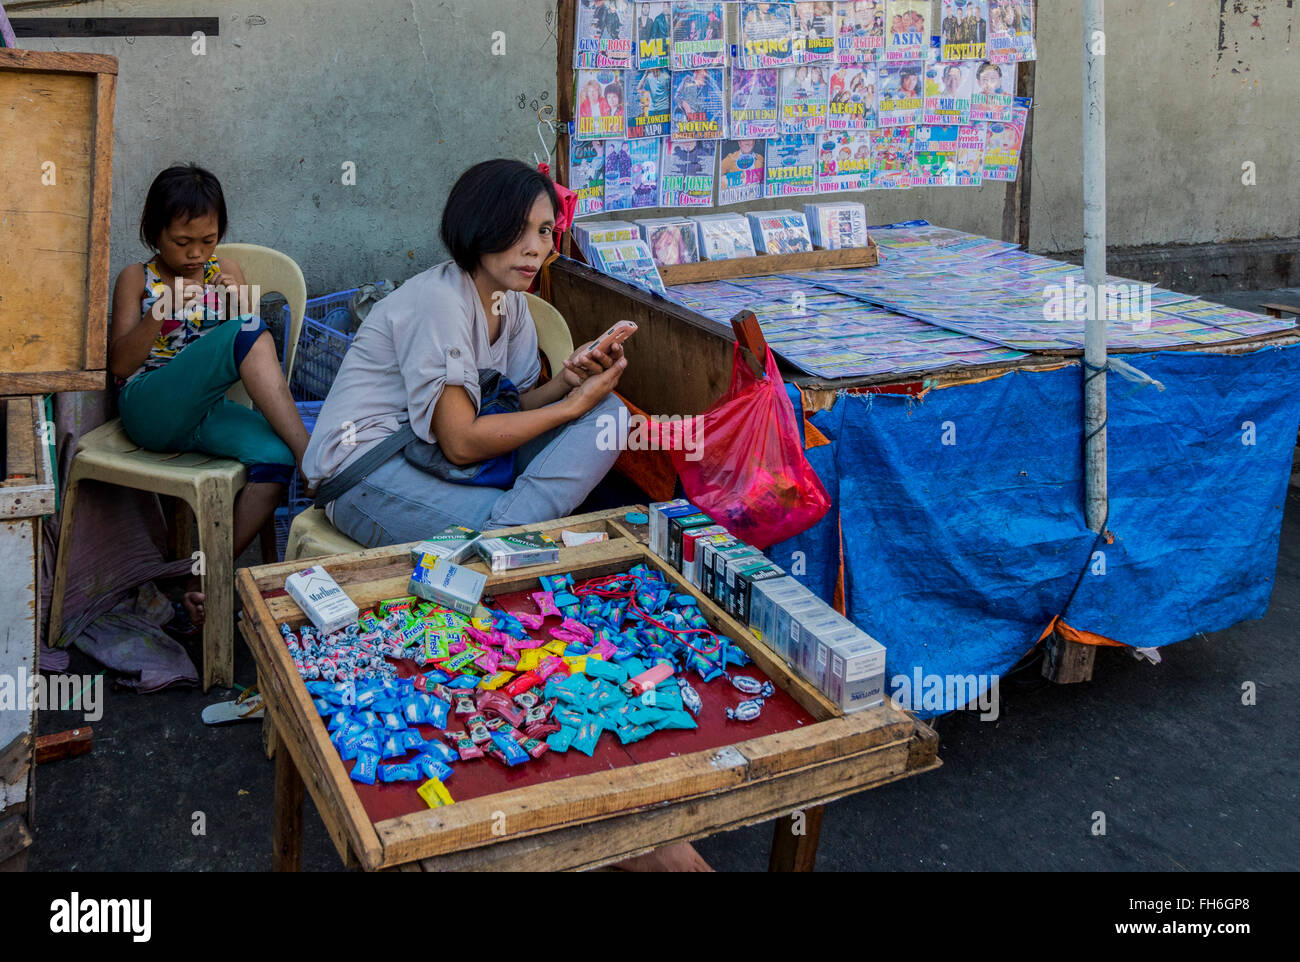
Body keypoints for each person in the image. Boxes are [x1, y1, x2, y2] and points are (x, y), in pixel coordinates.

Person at [302, 159, 627, 546]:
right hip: (369, 473)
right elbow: (460, 444)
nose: (534, 248)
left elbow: (510, 409)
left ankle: (507, 529)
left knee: (610, 415)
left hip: (435, 456)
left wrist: (566, 384)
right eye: (517, 229)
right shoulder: (440, 300)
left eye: (543, 231)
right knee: (508, 527)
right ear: (478, 227)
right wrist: (570, 407)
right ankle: (505, 537)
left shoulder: (513, 303)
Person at [109, 164, 310, 625]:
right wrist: (161, 310)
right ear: (154, 233)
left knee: (274, 461)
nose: (197, 254)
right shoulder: (135, 279)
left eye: (209, 240)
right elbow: (120, 365)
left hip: (206, 413)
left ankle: (203, 579)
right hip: (149, 408)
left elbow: (250, 347)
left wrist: (239, 299)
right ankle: (312, 455)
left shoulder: (227, 271)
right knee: (246, 329)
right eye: (183, 242)